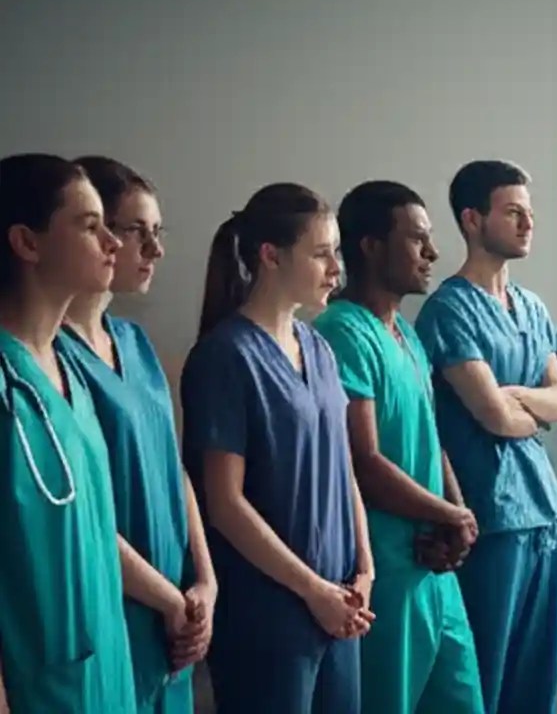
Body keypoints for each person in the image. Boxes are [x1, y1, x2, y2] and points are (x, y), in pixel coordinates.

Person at [179, 183, 375, 714]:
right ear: (270, 256)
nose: (337, 267)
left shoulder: (320, 349)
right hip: (270, 613)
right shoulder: (224, 358)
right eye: (321, 253)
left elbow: (343, 469)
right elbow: (225, 504)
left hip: (339, 605)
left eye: (336, 251)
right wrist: (313, 590)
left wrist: (364, 567)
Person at [313, 180, 484, 713]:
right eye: (417, 240)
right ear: (369, 245)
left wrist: (457, 514)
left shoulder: (406, 336)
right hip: (387, 570)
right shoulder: (341, 332)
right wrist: (449, 516)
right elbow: (363, 462)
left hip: (433, 570)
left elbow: (430, 439)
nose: (432, 253)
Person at [58, 155, 216, 714]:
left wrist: (205, 583)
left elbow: (173, 469)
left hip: (176, 613)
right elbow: (83, 510)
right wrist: (167, 598)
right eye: (137, 231)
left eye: (158, 233)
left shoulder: (136, 343)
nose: (155, 250)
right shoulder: (52, 359)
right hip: (119, 604)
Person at [414, 160, 557, 714]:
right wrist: (530, 406)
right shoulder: (448, 310)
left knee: (538, 681)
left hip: (545, 514)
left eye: (530, 213)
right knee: (486, 675)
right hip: (492, 520)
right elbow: (492, 417)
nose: (528, 223)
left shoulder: (530, 307)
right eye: (513, 212)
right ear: (473, 219)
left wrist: (517, 398)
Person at [0, 153, 135, 712]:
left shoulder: (71, 373)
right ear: (27, 243)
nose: (114, 242)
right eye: (88, 225)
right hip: (36, 683)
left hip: (105, 667)